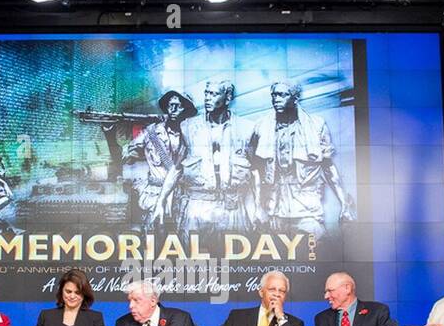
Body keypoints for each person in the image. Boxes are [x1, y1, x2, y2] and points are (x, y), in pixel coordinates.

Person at [250, 81, 351, 237]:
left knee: (317, 249)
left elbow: (328, 168)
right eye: (274, 95)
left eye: (282, 95)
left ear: (295, 98)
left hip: (307, 211)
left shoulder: (316, 125)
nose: (276, 99)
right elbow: (254, 169)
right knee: (275, 251)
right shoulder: (261, 127)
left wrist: (344, 204)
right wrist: (257, 207)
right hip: (273, 211)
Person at [178, 79, 259, 232]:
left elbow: (256, 172)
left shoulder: (247, 128)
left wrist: (257, 208)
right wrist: (161, 202)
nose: (207, 98)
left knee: (235, 245)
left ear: (227, 98)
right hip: (198, 206)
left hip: (233, 206)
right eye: (206, 93)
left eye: (214, 94)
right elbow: (176, 169)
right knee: (193, 246)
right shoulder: (188, 127)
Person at [124, 90, 195, 232]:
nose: (173, 109)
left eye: (178, 106)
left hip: (182, 197)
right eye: (170, 105)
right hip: (154, 195)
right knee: (153, 236)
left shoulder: (193, 134)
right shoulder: (151, 132)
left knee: (183, 238)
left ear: (186, 110)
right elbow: (127, 155)